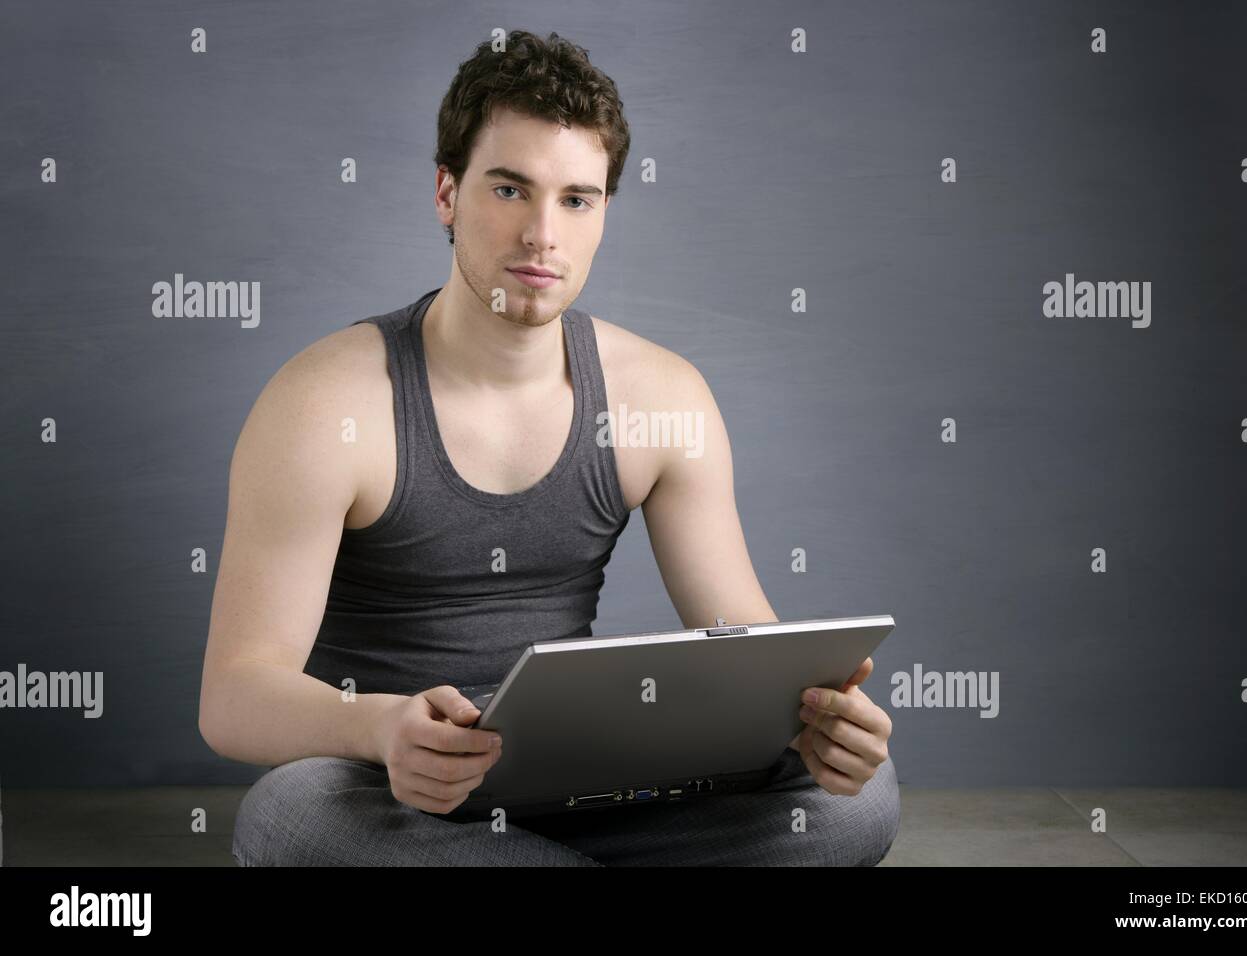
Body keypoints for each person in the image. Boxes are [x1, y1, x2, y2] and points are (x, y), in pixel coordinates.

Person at [199, 29, 899, 866]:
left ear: (604, 213)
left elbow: (744, 643)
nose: (543, 235)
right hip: (399, 789)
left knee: (855, 802)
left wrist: (819, 721)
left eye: (577, 199)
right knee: (292, 816)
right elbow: (234, 696)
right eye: (509, 189)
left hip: (585, 776)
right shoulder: (325, 402)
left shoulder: (661, 396)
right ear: (446, 193)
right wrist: (378, 726)